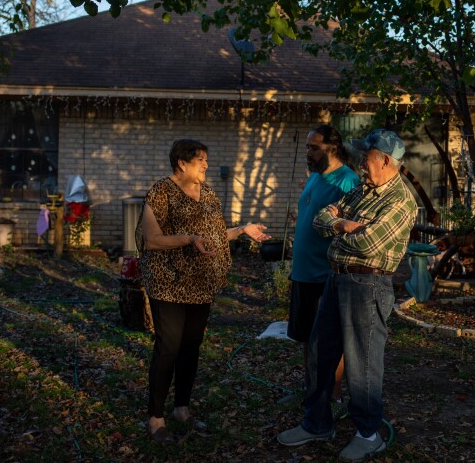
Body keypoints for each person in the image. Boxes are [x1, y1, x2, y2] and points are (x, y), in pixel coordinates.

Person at [277, 129, 418, 462]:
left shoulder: (400, 201)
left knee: (362, 365)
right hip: (336, 280)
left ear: (385, 160)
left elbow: (368, 244)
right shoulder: (362, 190)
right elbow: (322, 218)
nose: (360, 162)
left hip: (367, 287)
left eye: (366, 157)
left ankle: (368, 435)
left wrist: (341, 228)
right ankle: (316, 423)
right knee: (319, 353)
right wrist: (343, 225)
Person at [137, 138, 270, 443]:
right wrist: (188, 239)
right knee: (168, 347)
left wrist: (241, 230)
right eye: (201, 160)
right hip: (168, 282)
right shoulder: (161, 192)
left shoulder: (208, 194)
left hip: (201, 284)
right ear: (181, 163)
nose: (206, 165)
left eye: (207, 160)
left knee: (191, 346)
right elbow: (152, 239)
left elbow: (212, 235)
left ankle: (181, 407)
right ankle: (155, 417)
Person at [287, 125, 360, 403]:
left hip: (325, 275)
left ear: (332, 148)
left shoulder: (346, 181)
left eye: (314, 147)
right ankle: (312, 392)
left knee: (328, 342)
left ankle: (332, 397)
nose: (308, 153)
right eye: (307, 147)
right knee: (307, 338)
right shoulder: (316, 177)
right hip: (303, 273)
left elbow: (352, 229)